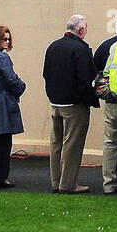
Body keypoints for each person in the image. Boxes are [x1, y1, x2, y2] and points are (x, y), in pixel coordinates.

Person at [42, 14, 97, 194]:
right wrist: (90, 100)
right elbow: (84, 79)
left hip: (55, 102)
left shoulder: (53, 46)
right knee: (72, 144)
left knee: (56, 143)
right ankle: (68, 184)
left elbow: (45, 73)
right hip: (74, 104)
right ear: (80, 29)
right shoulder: (80, 50)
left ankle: (56, 181)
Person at [92, 11, 117, 195]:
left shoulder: (105, 46)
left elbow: (97, 72)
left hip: (110, 101)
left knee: (110, 142)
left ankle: (109, 182)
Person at [0, 25, 25, 188]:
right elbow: (11, 79)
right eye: (4, 38)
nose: (7, 41)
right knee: (4, 142)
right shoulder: (2, 58)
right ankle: (1, 177)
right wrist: (21, 86)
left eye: (8, 38)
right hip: (2, 102)